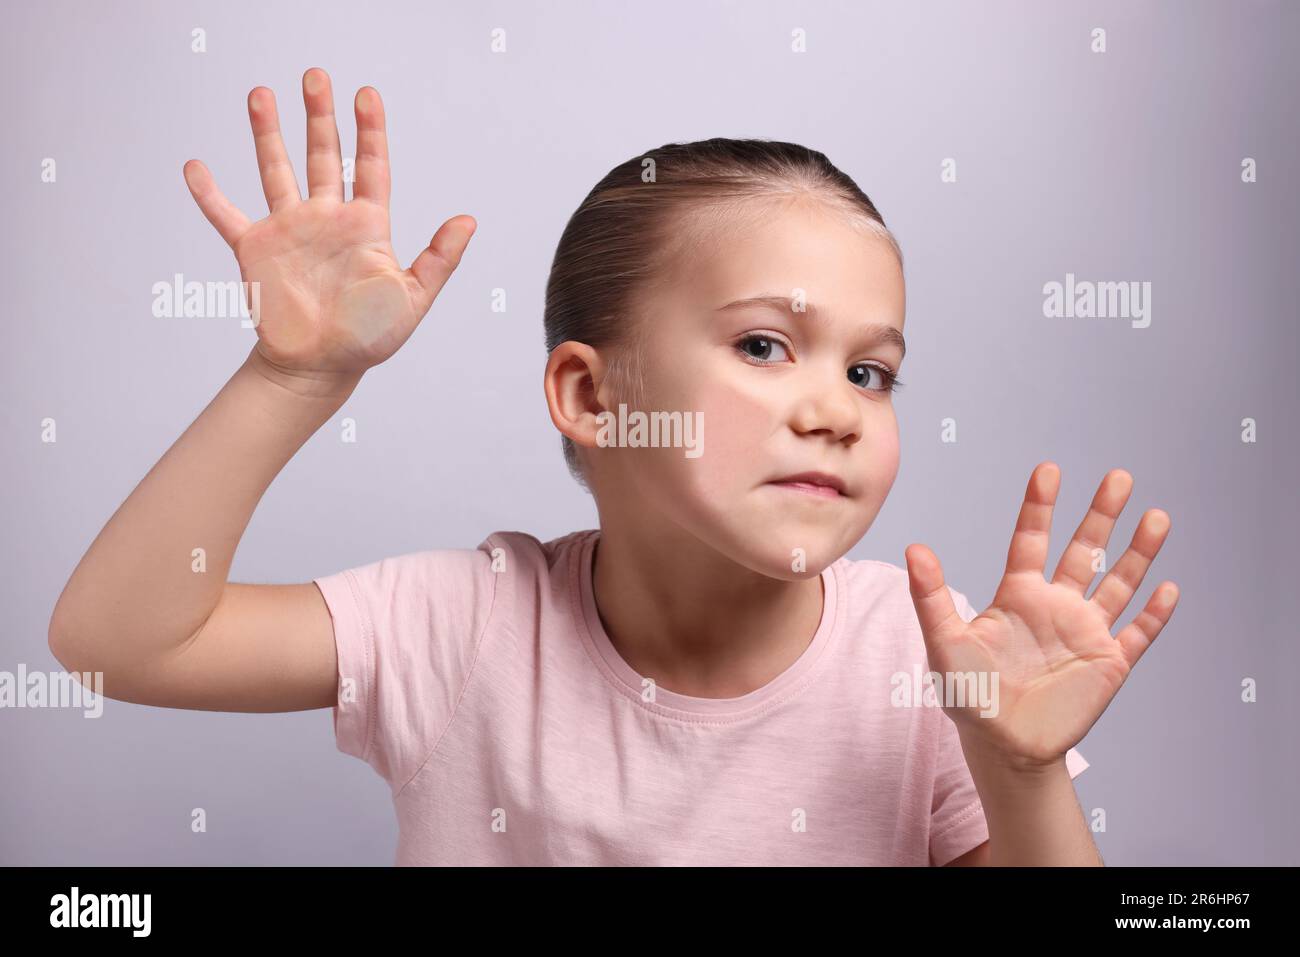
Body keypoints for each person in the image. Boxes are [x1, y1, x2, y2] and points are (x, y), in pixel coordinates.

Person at [48, 67, 1179, 866]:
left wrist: (1019, 774)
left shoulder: (925, 667)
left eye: (871, 373)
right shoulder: (466, 626)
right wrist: (293, 379)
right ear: (593, 397)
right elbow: (117, 645)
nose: (835, 410)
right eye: (763, 346)